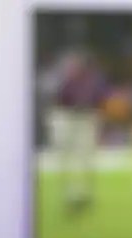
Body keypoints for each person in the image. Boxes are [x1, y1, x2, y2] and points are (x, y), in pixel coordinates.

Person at [40, 50, 109, 213]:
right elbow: (55, 99)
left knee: (86, 156)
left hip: (85, 117)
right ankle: (68, 193)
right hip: (64, 116)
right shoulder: (60, 79)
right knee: (64, 156)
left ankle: (84, 192)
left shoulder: (93, 80)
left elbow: (100, 99)